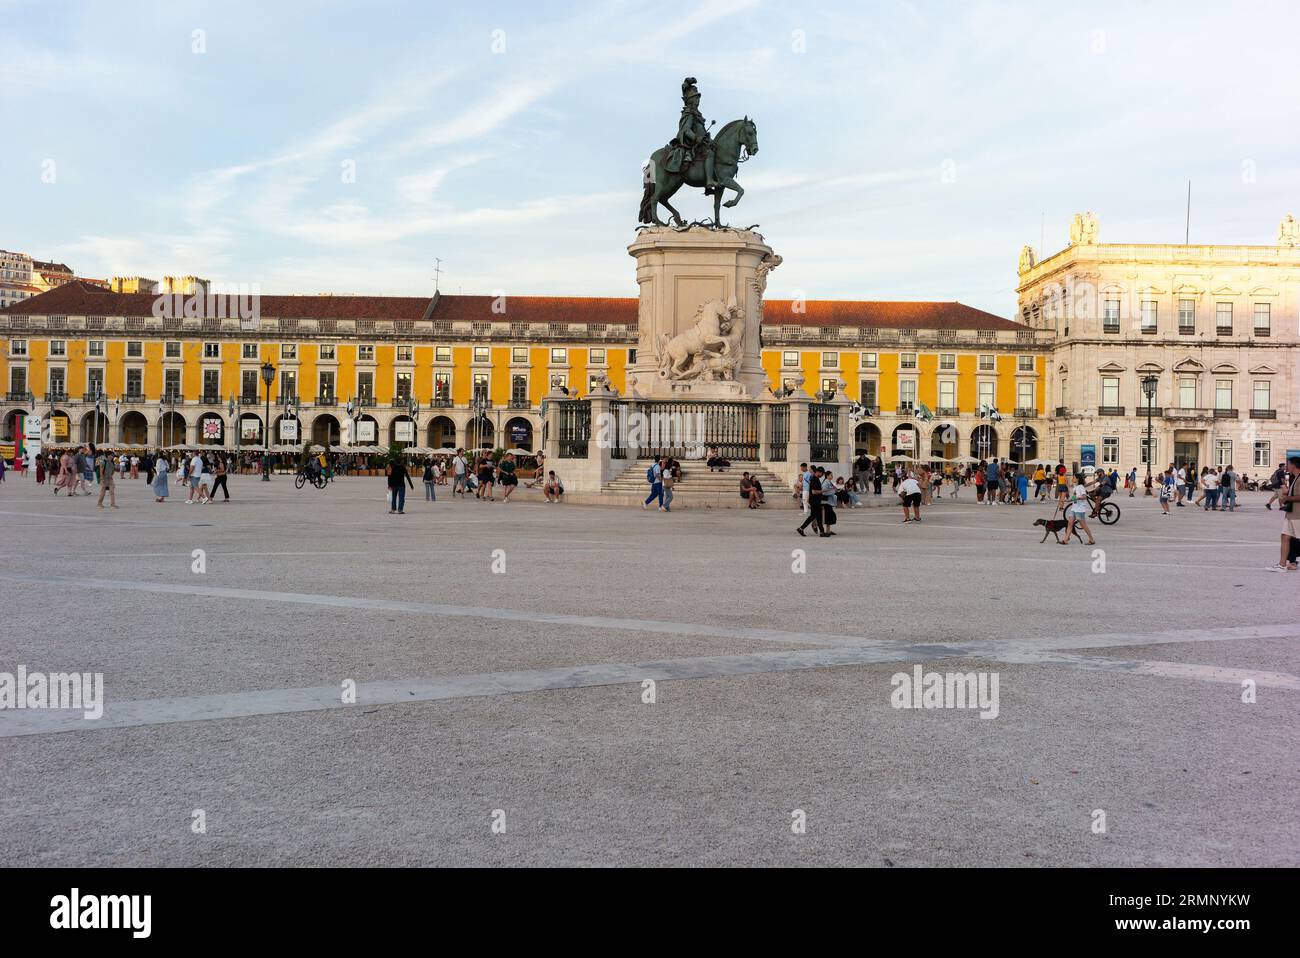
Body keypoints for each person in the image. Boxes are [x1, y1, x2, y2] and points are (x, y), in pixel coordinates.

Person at [1268, 456, 1300, 572]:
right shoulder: (1294, 477)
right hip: (1291, 514)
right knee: (1285, 536)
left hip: (1298, 514)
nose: (1286, 466)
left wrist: (1287, 498)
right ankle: (1282, 565)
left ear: (1294, 465)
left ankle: (1289, 562)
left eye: (1288, 464)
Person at [1063, 474, 1096, 545]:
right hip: (1074, 508)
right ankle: (1065, 540)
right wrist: (1068, 500)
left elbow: (1084, 497)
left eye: (1074, 477)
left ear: (1078, 479)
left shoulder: (1081, 487)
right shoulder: (1075, 487)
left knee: (1083, 525)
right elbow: (1074, 497)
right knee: (1070, 523)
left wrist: (1077, 498)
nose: (1073, 478)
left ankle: (1091, 539)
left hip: (1080, 509)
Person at [797, 467, 828, 537]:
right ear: (819, 472)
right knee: (819, 516)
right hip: (815, 501)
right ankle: (822, 532)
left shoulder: (815, 479)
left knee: (812, 516)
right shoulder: (815, 479)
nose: (822, 476)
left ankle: (801, 528)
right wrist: (823, 491)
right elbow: (813, 492)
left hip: (814, 500)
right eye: (822, 474)